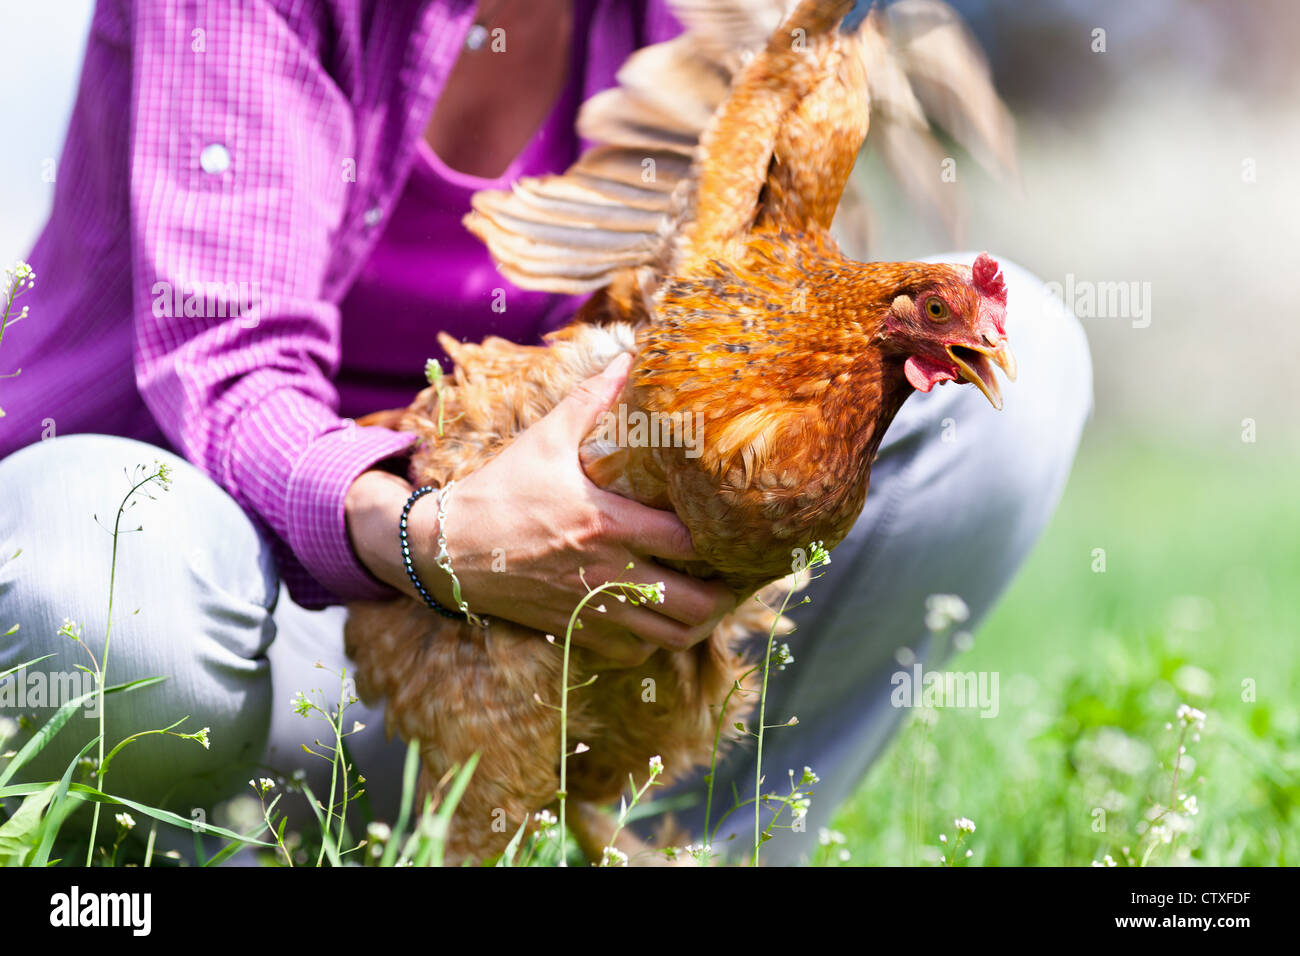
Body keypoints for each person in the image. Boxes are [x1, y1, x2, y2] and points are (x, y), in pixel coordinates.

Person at [0, 0, 1091, 864]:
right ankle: (163, 849)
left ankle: (665, 851)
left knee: (1027, 353)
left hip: (539, 663)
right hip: (240, 640)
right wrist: (439, 536)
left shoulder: (695, 16)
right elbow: (230, 368)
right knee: (87, 562)